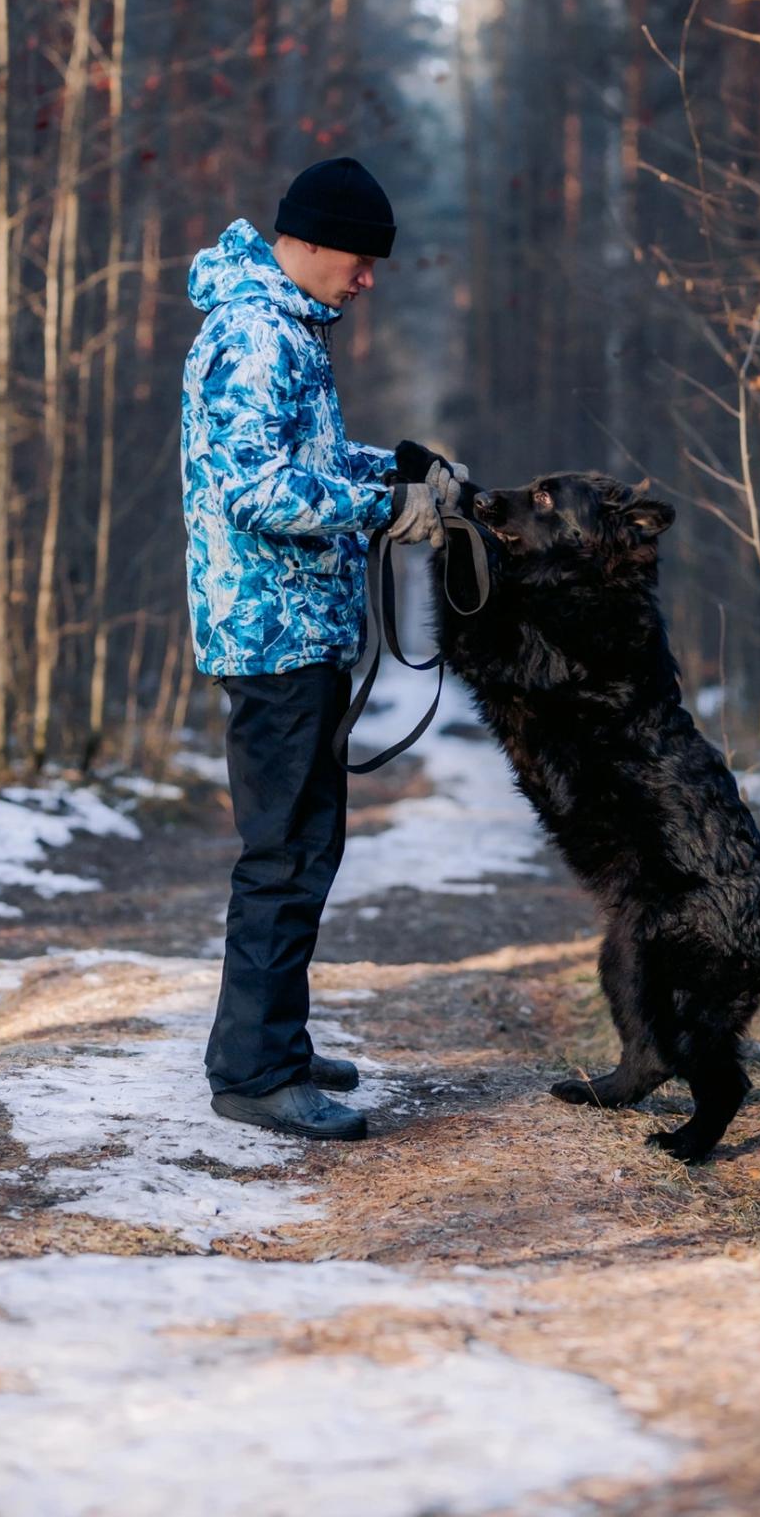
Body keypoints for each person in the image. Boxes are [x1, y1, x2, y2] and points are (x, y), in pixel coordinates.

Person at [179, 156, 465, 1141]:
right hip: (269, 635)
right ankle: (254, 1070)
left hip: (295, 628)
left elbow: (296, 461)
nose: (369, 276)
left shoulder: (282, 327)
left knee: (305, 844)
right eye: (361, 256)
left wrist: (397, 464)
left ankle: (274, 1044)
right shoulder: (255, 335)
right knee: (282, 854)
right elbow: (252, 489)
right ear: (308, 238)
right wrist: (386, 506)